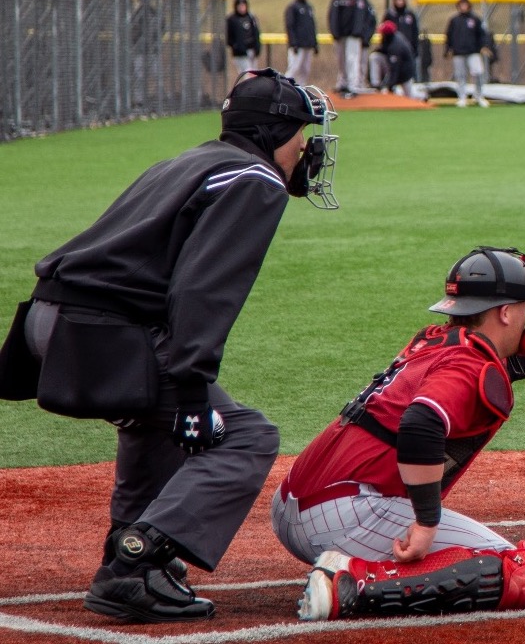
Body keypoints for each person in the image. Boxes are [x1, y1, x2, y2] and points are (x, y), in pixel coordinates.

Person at [0, 69, 341, 623]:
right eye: (301, 129)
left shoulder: (193, 159)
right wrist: (192, 392)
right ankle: (136, 560)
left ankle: (128, 554)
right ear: (272, 130)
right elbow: (201, 290)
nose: (306, 145)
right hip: (99, 331)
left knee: (152, 423)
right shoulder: (254, 177)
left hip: (52, 319)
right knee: (246, 437)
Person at [273, 245, 525, 620]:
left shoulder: (436, 341)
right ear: (505, 312)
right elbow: (421, 423)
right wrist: (425, 523)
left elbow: (513, 366)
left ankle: (350, 562)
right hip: (345, 516)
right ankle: (348, 585)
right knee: (520, 571)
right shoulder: (468, 365)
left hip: (295, 503)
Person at [444, 0, 494, 108]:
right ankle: (462, 97)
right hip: (458, 53)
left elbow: (482, 35)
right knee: (460, 75)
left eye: (465, 4)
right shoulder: (454, 20)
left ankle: (478, 96)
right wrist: (448, 50)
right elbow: (449, 36)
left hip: (473, 52)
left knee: (478, 73)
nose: (463, 6)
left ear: (469, 5)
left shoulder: (475, 19)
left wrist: (484, 46)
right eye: (461, 5)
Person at [327, 0, 371, 98]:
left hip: (354, 35)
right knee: (341, 60)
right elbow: (332, 17)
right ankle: (343, 83)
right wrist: (335, 32)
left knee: (352, 59)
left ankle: (353, 85)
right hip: (340, 35)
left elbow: (365, 18)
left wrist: (360, 32)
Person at [367, 20, 417, 96]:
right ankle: (376, 85)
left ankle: (423, 96)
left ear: (386, 34)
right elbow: (383, 49)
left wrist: (389, 86)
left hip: (405, 73)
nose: (381, 35)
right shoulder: (392, 38)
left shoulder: (395, 46)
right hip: (397, 67)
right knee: (375, 56)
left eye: (382, 33)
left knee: (410, 96)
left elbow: (394, 70)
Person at [384, 0, 422, 84]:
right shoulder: (390, 15)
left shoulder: (410, 14)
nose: (399, 2)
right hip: (394, 51)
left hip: (409, 50)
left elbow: (415, 32)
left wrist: (415, 48)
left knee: (411, 73)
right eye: (397, 0)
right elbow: (385, 32)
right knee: (394, 71)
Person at [284, 0, 318, 83]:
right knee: (294, 68)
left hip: (308, 44)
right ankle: (285, 87)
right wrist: (293, 43)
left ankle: (300, 89)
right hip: (298, 45)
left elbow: (312, 26)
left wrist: (314, 43)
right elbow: (290, 26)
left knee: (305, 70)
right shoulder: (293, 7)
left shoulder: (309, 7)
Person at [225, 0, 261, 76]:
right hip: (240, 53)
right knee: (247, 75)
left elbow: (256, 33)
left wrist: (257, 47)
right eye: (240, 5)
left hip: (252, 50)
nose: (242, 8)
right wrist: (236, 46)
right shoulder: (232, 19)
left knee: (254, 75)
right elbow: (228, 37)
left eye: (243, 5)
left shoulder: (251, 17)